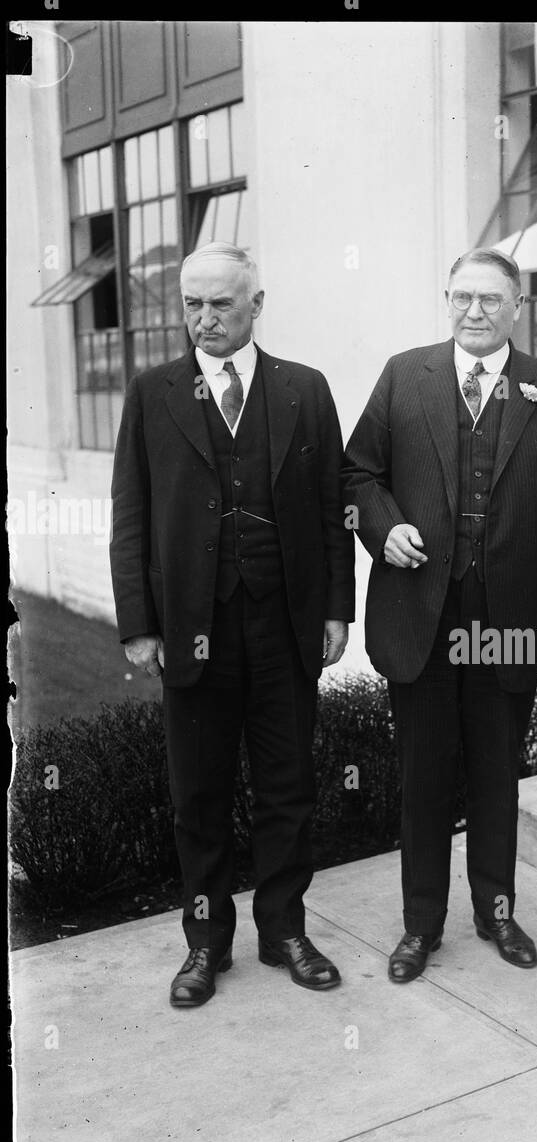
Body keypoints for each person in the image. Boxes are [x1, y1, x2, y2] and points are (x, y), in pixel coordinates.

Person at [110, 242, 355, 1007]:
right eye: (191, 304)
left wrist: (336, 610)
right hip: (191, 628)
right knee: (199, 795)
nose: (204, 318)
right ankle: (205, 944)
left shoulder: (303, 390)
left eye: (220, 303)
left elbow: (329, 510)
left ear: (256, 305)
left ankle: (284, 931)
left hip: (283, 626)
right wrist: (138, 624)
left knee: (289, 787)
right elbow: (131, 513)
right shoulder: (153, 394)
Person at [342, 247, 537, 982]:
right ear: (445, 301)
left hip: (506, 623)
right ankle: (421, 926)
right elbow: (357, 472)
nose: (473, 312)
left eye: (489, 299)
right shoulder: (403, 373)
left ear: (518, 306)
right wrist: (382, 528)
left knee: (494, 774)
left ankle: (497, 911)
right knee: (422, 778)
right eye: (461, 298)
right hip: (420, 615)